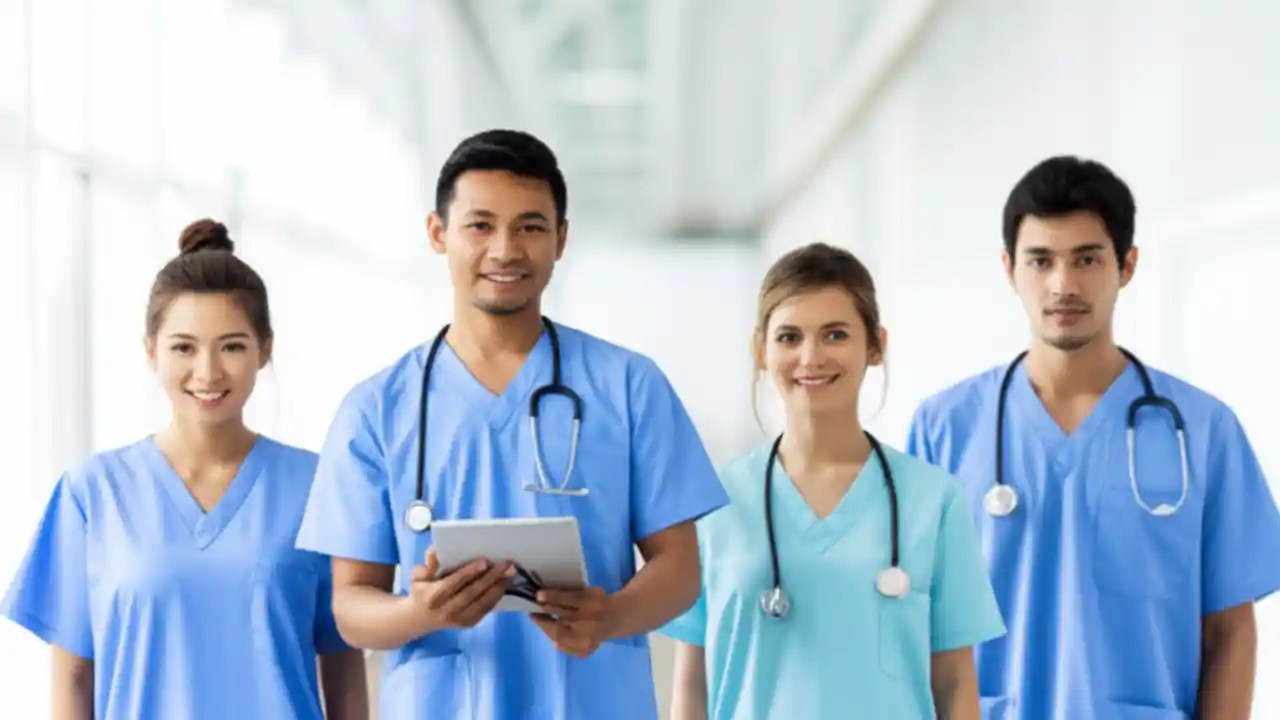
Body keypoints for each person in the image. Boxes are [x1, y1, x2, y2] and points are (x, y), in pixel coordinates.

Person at [294, 128, 729, 719]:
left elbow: (679, 569)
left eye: (530, 226)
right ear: (437, 234)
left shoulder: (629, 386)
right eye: (480, 226)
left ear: (561, 239)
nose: (505, 250)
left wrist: (611, 616)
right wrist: (421, 613)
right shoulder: (376, 409)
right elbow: (351, 607)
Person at [906, 156, 1280, 719]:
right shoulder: (944, 429)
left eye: (1087, 259)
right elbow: (911, 625)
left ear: (1127, 265)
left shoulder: (1202, 431)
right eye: (1041, 261)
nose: (1064, 285)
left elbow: (1229, 629)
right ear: (1009, 269)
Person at [1, 220, 369, 720]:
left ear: (266, 349)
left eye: (232, 345)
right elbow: (72, 677)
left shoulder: (318, 486)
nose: (208, 371)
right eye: (184, 347)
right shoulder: (91, 494)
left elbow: (344, 667)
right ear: (151, 351)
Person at [662, 243, 1005, 719]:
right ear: (760, 351)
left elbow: (954, 686)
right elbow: (691, 688)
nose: (811, 356)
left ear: (876, 345)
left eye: (835, 334)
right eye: (789, 337)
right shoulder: (713, 501)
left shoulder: (933, 500)